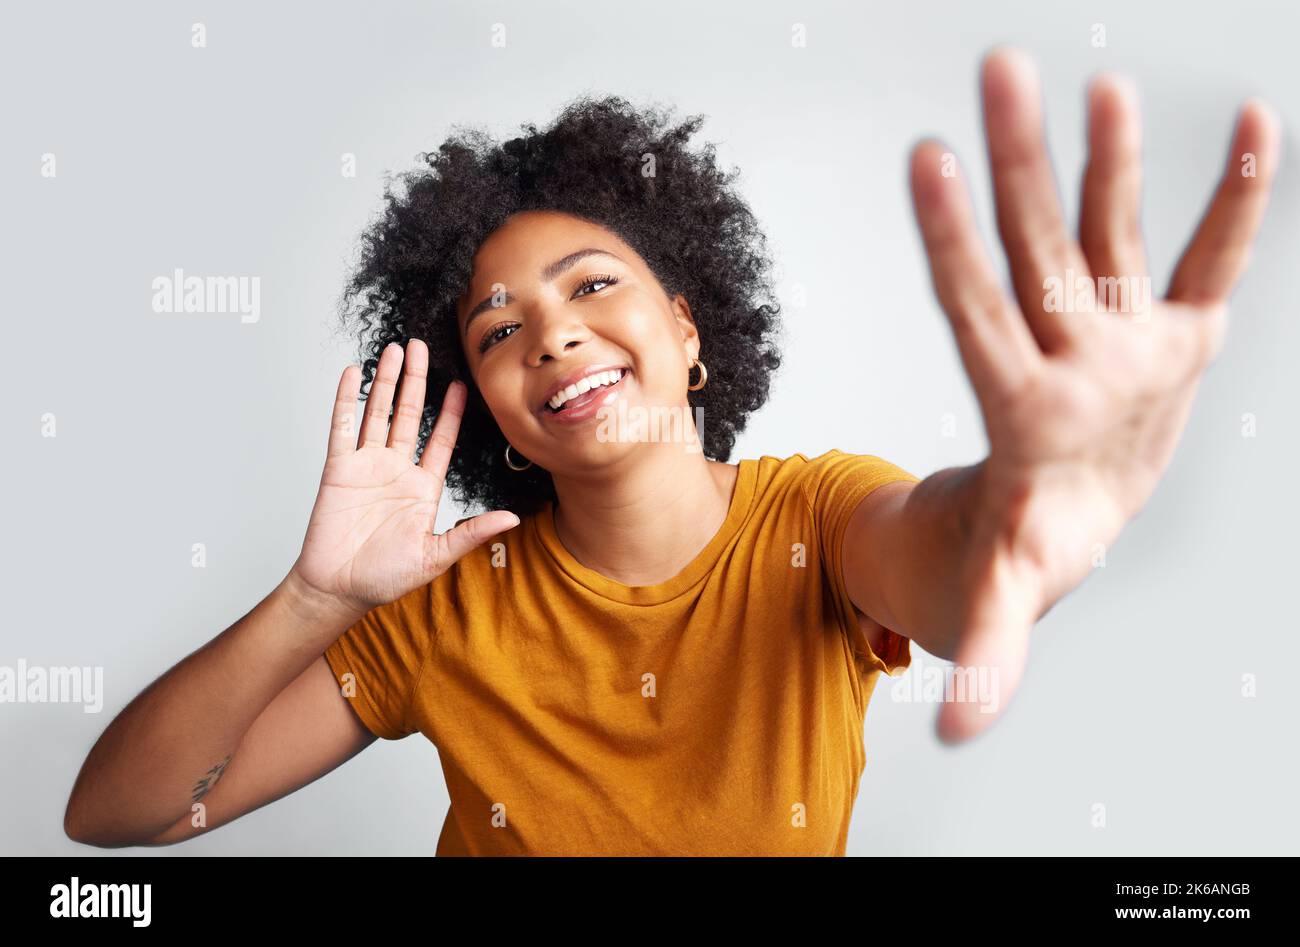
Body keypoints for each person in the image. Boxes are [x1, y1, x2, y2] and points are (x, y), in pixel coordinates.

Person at [63, 47, 1279, 855]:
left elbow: (955, 573)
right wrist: (315, 597)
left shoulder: (816, 518)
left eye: (593, 283)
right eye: (499, 329)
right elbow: (118, 814)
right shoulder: (436, 601)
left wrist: (1035, 497)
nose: (553, 335)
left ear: (688, 328)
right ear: (488, 402)